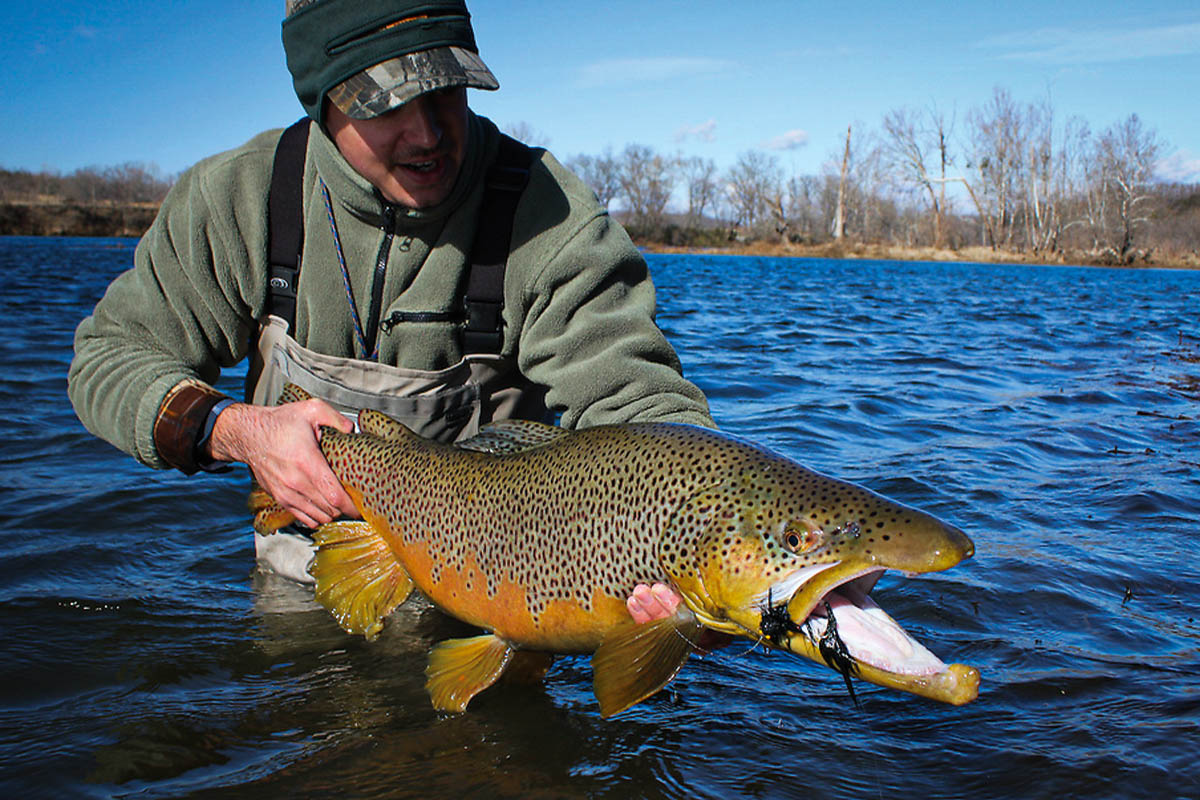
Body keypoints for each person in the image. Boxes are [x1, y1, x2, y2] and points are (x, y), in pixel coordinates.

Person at [68, 0, 710, 625]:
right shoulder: (239, 198)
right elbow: (107, 359)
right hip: (299, 584)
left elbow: (644, 411)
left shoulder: (551, 217)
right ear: (320, 100)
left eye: (446, 92)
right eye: (389, 104)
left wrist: (691, 549)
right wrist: (235, 429)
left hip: (496, 603)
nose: (428, 134)